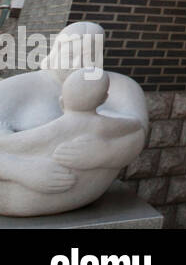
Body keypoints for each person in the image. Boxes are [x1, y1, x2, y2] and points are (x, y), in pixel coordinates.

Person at [0, 22, 149, 216]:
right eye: (71, 55)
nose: (79, 63)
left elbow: (138, 135)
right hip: (15, 198)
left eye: (90, 57)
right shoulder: (14, 89)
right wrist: (20, 170)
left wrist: (104, 153)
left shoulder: (122, 87)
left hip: (85, 198)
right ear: (55, 52)